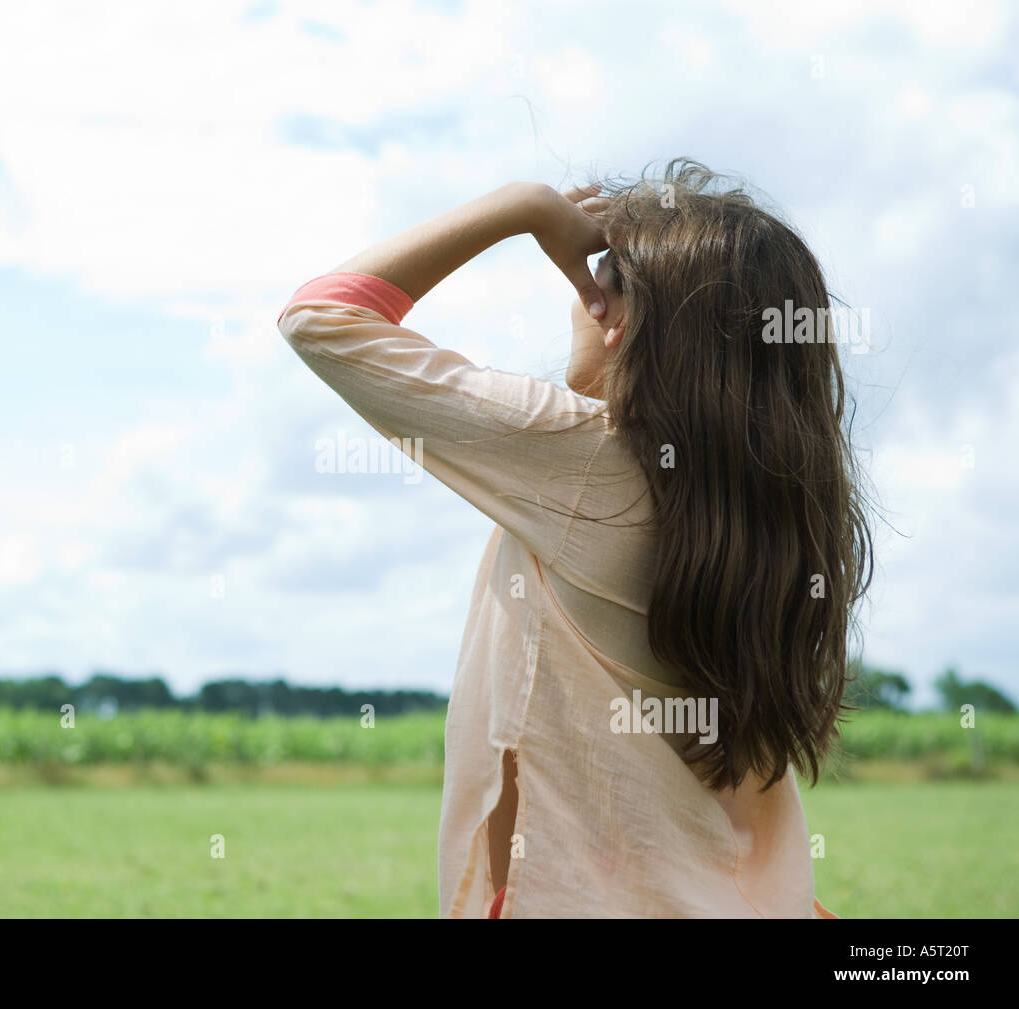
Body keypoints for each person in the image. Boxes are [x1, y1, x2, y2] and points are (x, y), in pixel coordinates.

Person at [275, 159, 871, 918]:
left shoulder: (581, 456)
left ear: (616, 319)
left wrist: (522, 205)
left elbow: (320, 316)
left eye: (597, 282)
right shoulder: (785, 503)